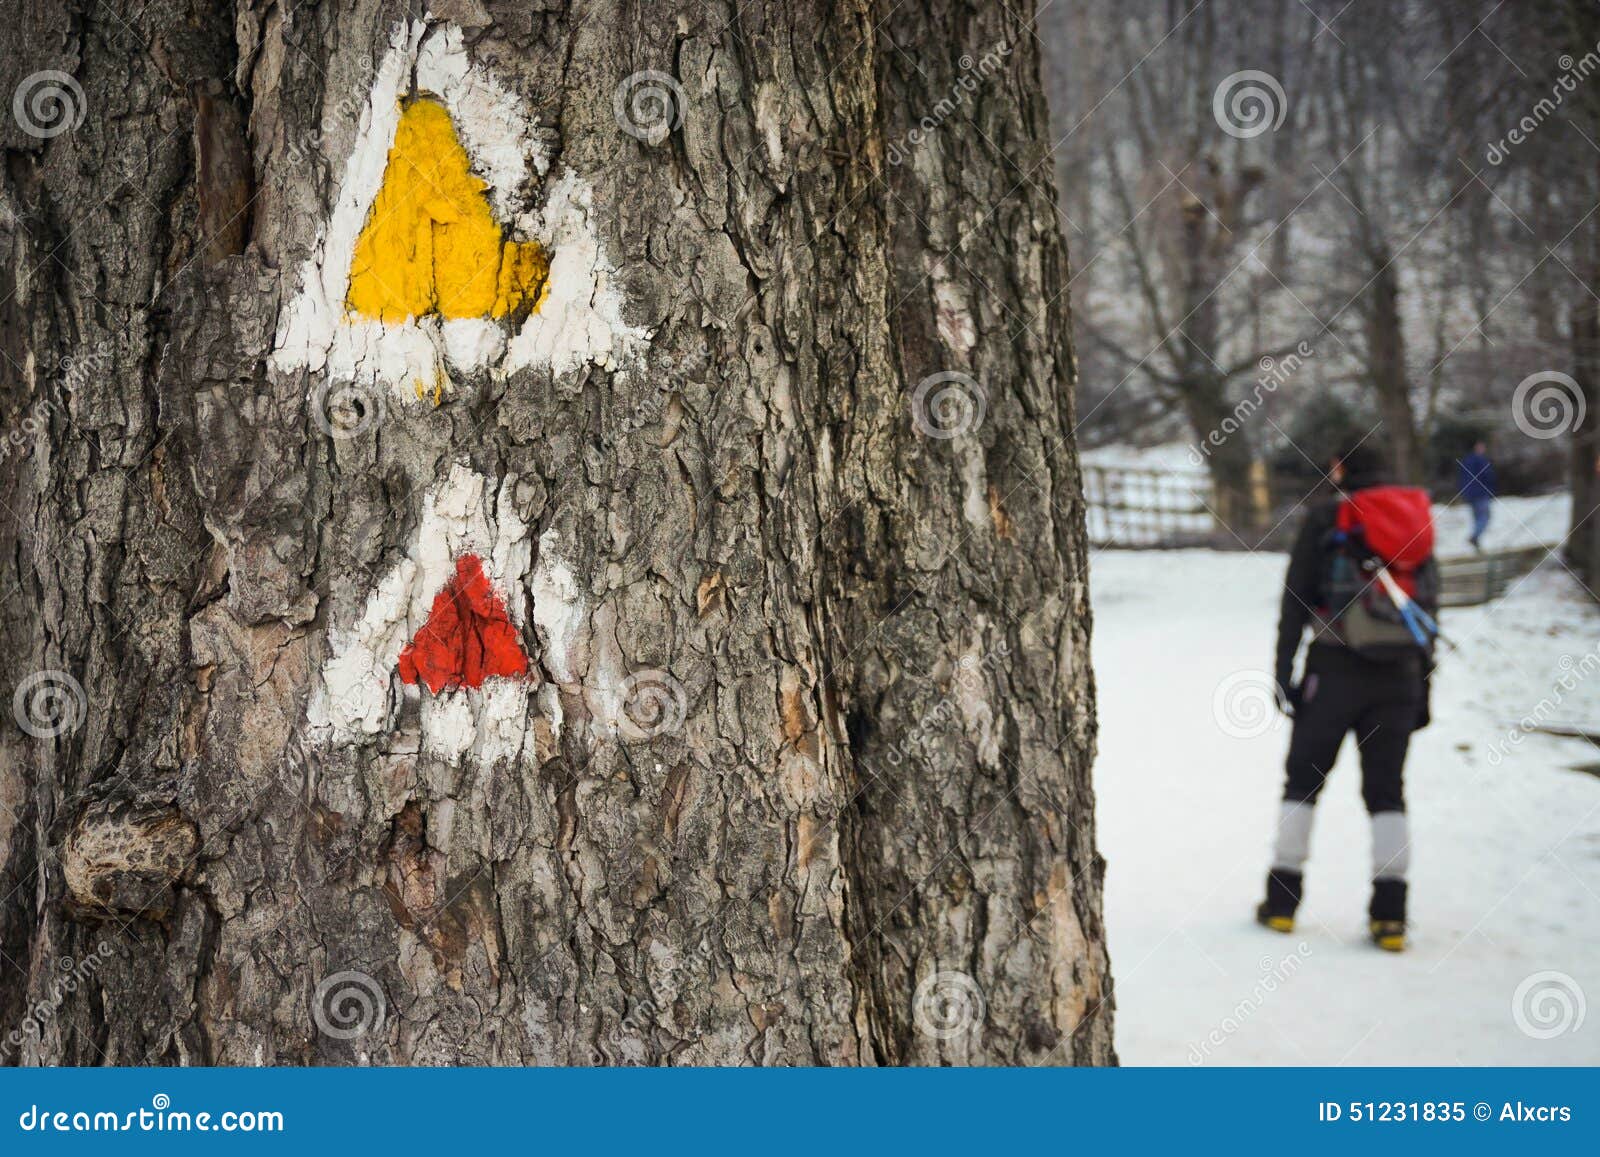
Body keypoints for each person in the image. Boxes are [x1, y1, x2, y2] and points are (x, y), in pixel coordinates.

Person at [1259, 443, 1438, 952]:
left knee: (1303, 782)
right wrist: (1423, 685)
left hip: (1333, 671)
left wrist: (1283, 671)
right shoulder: (1415, 519)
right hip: (1400, 675)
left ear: (1339, 467)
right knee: (1386, 791)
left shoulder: (1325, 518)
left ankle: (1281, 903)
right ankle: (1391, 915)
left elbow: (1295, 601)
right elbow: (1428, 607)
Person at [1456, 440, 1496, 551]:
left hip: (1469, 494)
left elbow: (1461, 478)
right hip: (1481, 494)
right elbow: (1488, 476)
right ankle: (1474, 537)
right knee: (1485, 517)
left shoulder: (1466, 460)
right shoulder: (1481, 460)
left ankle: (1476, 542)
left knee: (1477, 518)